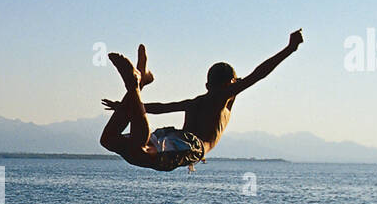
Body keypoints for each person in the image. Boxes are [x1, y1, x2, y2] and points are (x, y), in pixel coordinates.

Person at [99, 30, 303, 172]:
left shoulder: (197, 101)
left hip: (173, 136)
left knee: (109, 140)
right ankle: (136, 84)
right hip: (189, 145)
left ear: (207, 85)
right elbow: (258, 74)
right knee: (139, 151)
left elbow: (159, 108)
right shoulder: (224, 97)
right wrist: (290, 48)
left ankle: (141, 82)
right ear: (231, 84)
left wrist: (124, 106)